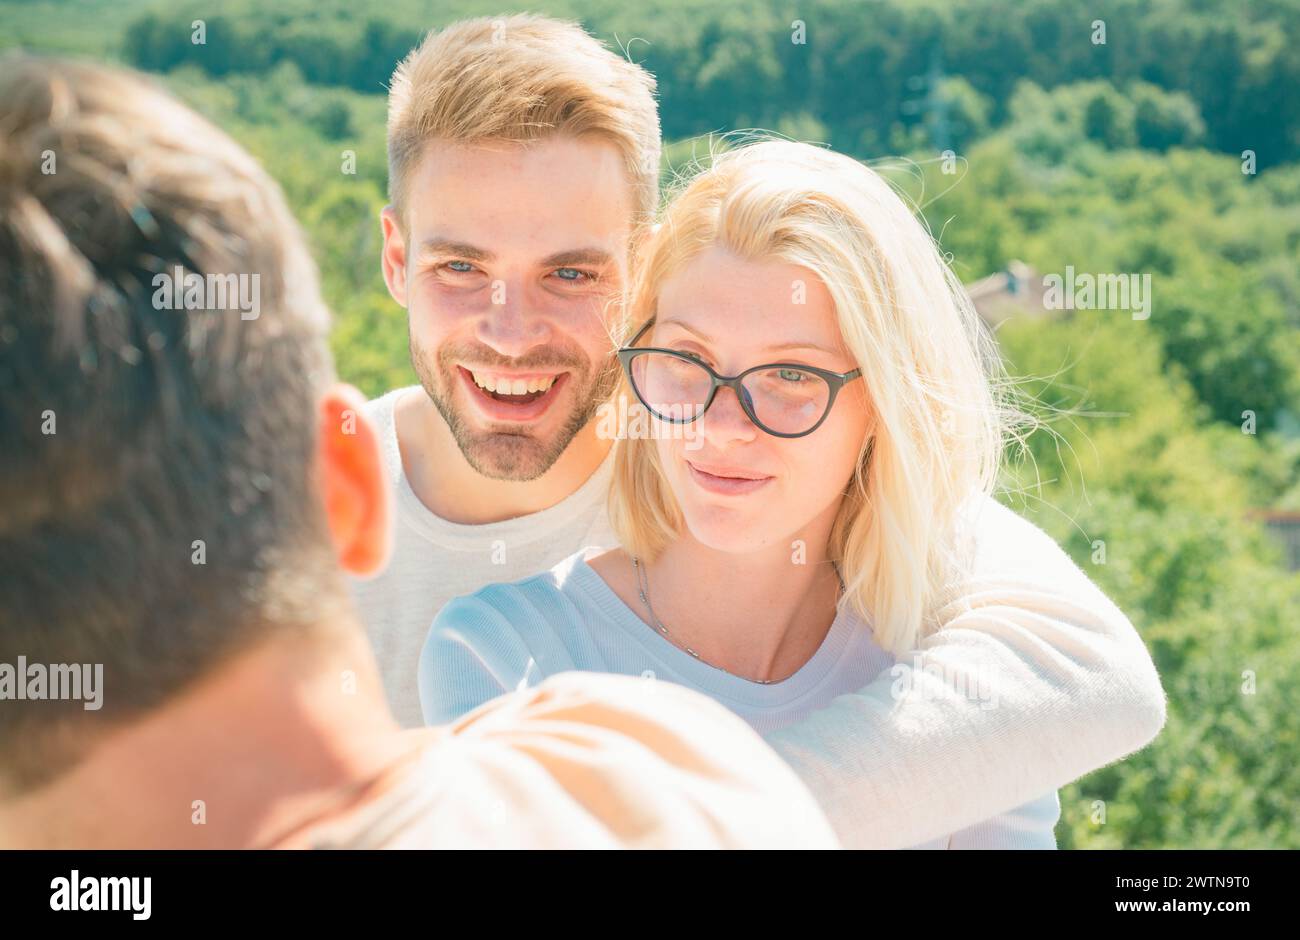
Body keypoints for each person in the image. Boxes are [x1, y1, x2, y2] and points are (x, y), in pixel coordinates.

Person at [0, 55, 838, 849]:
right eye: (461, 266)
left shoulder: (739, 476)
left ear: (643, 266)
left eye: (571, 275)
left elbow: (966, 613)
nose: (511, 334)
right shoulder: (660, 766)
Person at [421, 140, 1168, 849]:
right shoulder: (505, 654)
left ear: (884, 403)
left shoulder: (952, 655)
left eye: (790, 376)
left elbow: (1115, 684)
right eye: (686, 358)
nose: (722, 425)